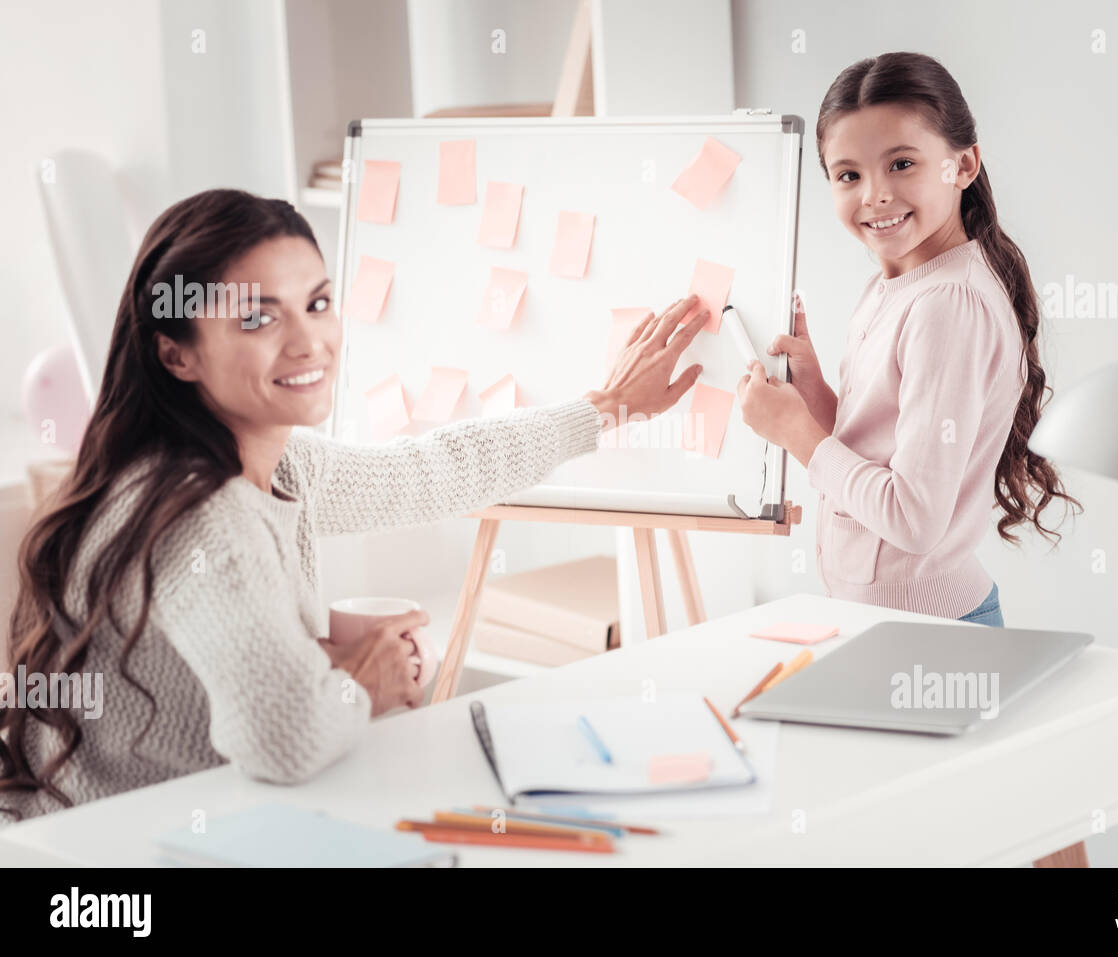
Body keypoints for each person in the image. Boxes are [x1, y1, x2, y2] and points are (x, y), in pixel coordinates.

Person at [0, 188, 709, 823]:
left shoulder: (265, 462)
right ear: (177, 355)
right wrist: (358, 682)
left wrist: (608, 408)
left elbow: (432, 470)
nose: (309, 340)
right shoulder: (205, 515)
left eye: (316, 302)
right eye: (256, 319)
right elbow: (285, 739)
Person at [737, 52, 1082, 628]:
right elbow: (874, 449)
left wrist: (795, 432)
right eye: (849, 174)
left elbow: (913, 518)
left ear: (963, 164)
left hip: (929, 632)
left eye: (901, 163)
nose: (874, 194)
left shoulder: (946, 305)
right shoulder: (893, 285)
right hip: (889, 624)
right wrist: (815, 393)